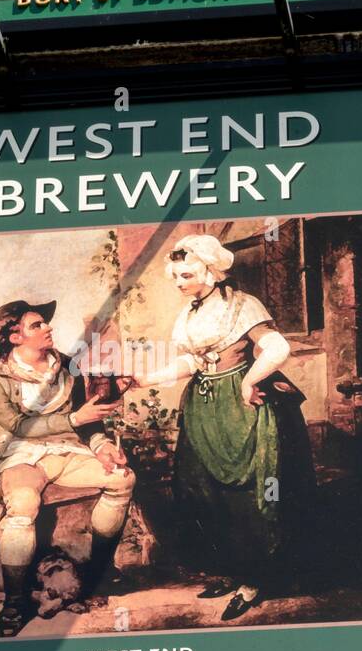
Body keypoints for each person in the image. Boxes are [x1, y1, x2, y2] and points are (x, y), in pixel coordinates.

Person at [127, 234, 315, 621]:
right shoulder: (190, 315)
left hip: (242, 405)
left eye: (187, 274)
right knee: (205, 492)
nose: (179, 282)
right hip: (203, 406)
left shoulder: (242, 305)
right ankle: (232, 569)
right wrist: (143, 382)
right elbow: (191, 365)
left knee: (249, 492)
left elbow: (278, 348)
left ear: (211, 271)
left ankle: (256, 579)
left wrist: (250, 381)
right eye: (175, 276)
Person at [0, 299, 135, 637]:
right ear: (14, 337)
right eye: (37, 325)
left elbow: (88, 421)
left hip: (64, 449)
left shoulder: (68, 367)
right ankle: (14, 603)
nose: (48, 327)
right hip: (18, 454)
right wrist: (75, 418)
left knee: (122, 478)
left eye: (45, 323)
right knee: (24, 505)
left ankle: (98, 574)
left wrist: (102, 446)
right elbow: (19, 426)